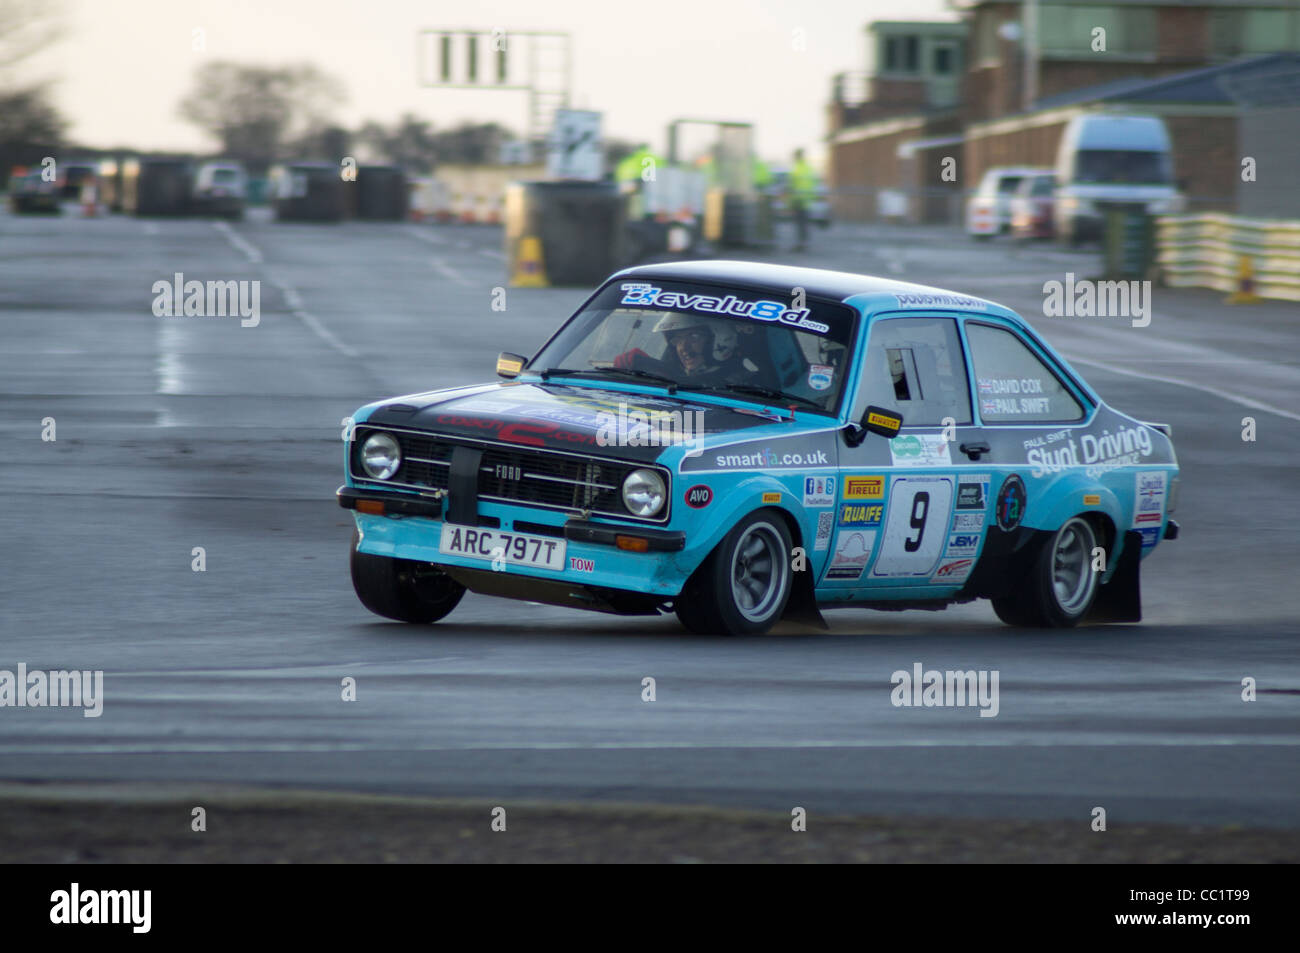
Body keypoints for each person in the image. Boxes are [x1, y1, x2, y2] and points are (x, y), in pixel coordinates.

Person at [788, 148, 816, 252]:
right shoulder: (808, 168)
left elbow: (793, 185)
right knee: (803, 225)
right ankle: (803, 244)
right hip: (806, 200)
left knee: (800, 225)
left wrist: (791, 200)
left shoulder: (797, 168)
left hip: (799, 200)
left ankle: (801, 245)